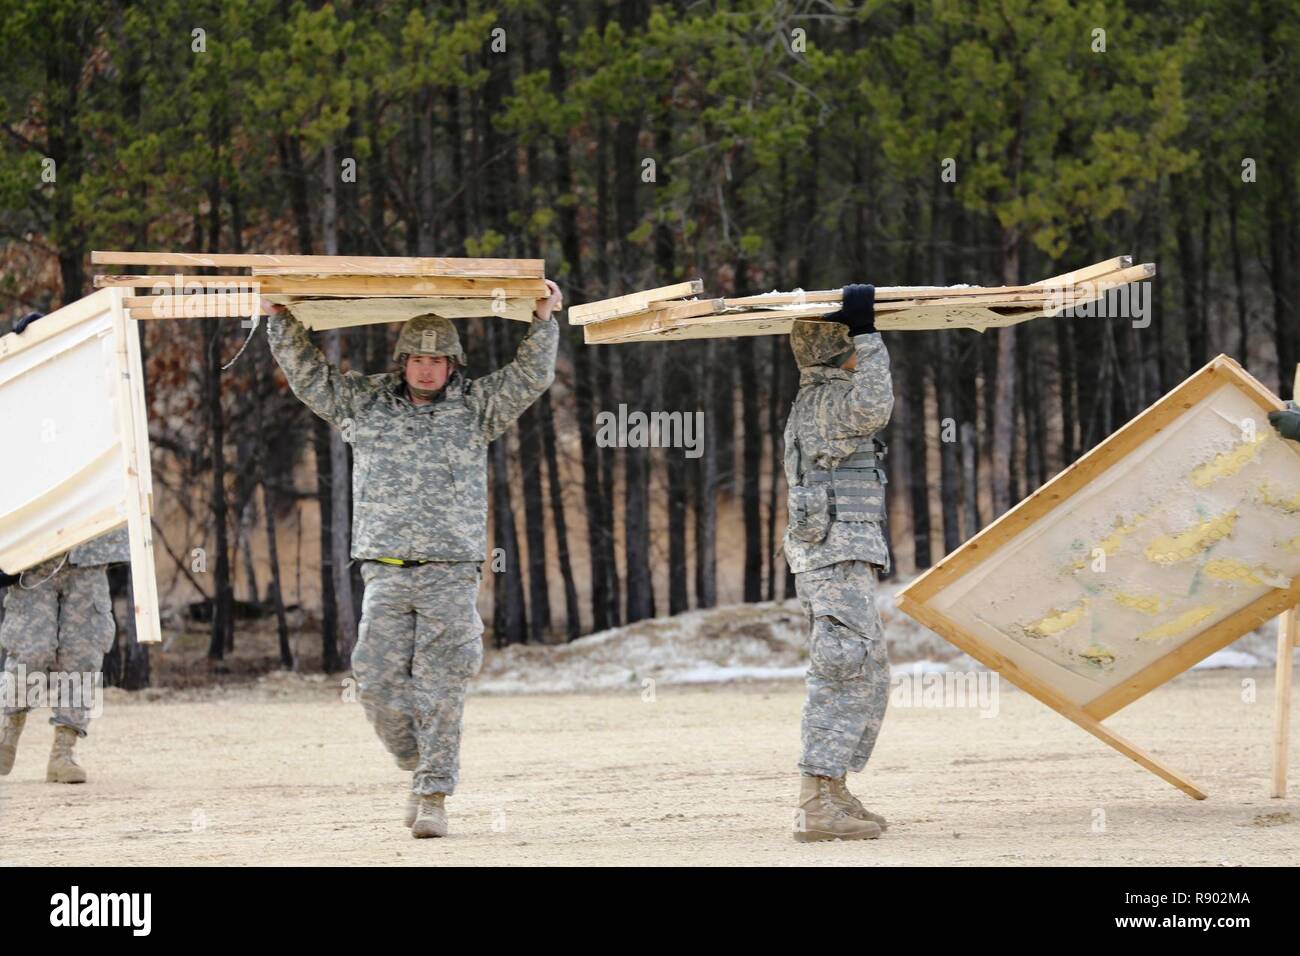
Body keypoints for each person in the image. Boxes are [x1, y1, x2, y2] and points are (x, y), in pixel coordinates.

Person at [266, 281, 561, 838]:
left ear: (454, 365)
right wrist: (281, 319)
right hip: (385, 568)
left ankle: (432, 795)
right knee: (374, 679)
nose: (427, 370)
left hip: (451, 571)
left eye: (438, 360)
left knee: (442, 686)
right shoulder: (365, 402)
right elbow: (309, 377)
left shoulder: (477, 407)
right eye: (417, 359)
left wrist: (544, 319)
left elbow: (530, 377)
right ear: (403, 361)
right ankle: (414, 760)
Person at [781, 283, 894, 842]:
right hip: (832, 556)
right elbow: (875, 405)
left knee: (865, 671)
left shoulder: (821, 398)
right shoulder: (827, 402)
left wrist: (864, 335)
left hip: (840, 555)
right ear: (838, 353)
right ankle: (814, 797)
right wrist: (869, 333)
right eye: (851, 345)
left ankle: (833, 790)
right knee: (844, 669)